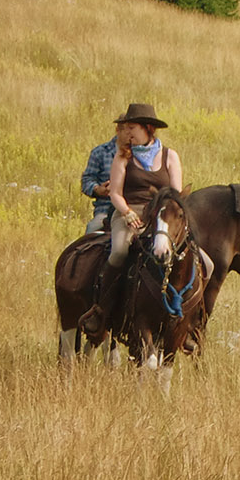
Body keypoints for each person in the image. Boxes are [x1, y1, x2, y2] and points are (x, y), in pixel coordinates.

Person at [79, 103, 183, 333]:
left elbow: (174, 193)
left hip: (160, 216)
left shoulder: (170, 156)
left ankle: (190, 320)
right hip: (128, 212)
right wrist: (126, 213)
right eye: (126, 128)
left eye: (132, 128)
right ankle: (101, 309)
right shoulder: (122, 156)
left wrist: (164, 215)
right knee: (119, 251)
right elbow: (115, 192)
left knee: (198, 257)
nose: (128, 133)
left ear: (148, 128)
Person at [80, 122, 120, 234]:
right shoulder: (100, 152)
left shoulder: (141, 155)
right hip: (105, 210)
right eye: (127, 129)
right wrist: (97, 189)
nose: (130, 134)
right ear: (118, 130)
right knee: (92, 231)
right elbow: (87, 180)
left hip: (136, 211)